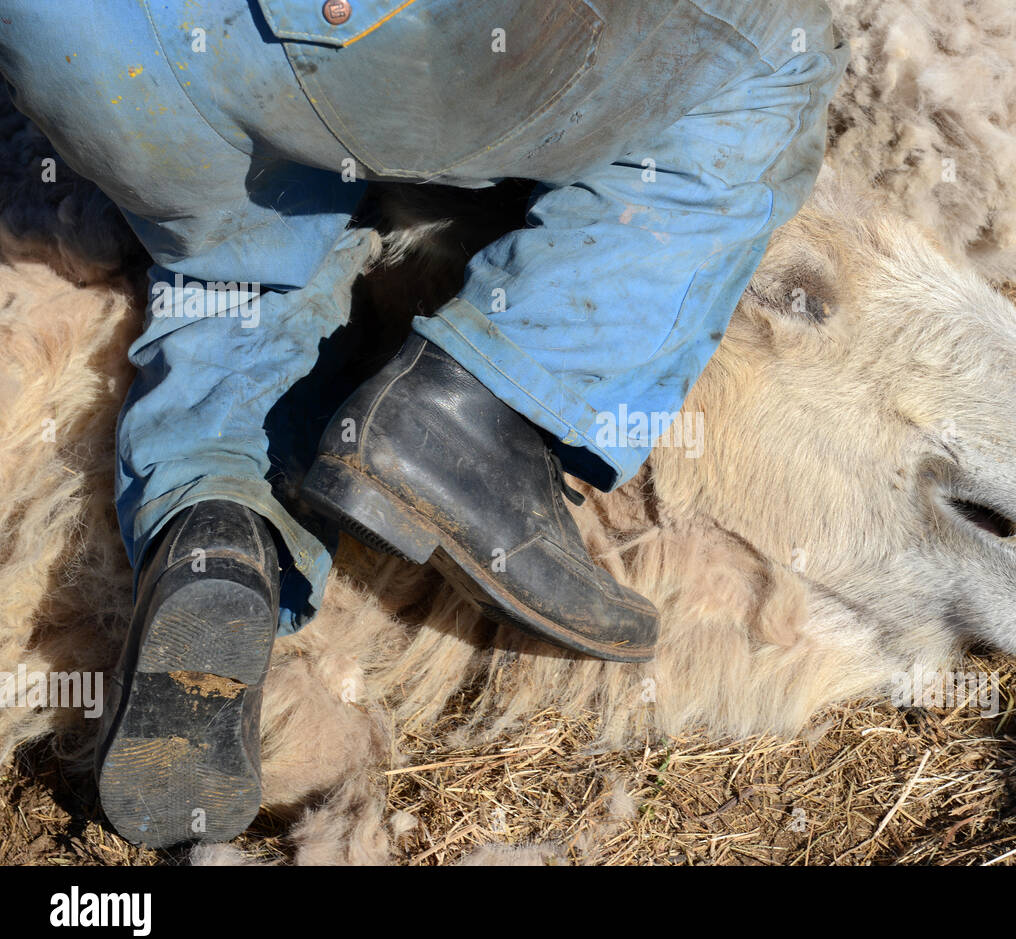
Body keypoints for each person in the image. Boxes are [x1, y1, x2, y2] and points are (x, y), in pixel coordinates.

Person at [0, 0, 847, 848]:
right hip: (354, 26)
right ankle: (485, 409)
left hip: (81, 51)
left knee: (246, 269)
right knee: (781, 53)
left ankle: (215, 531)